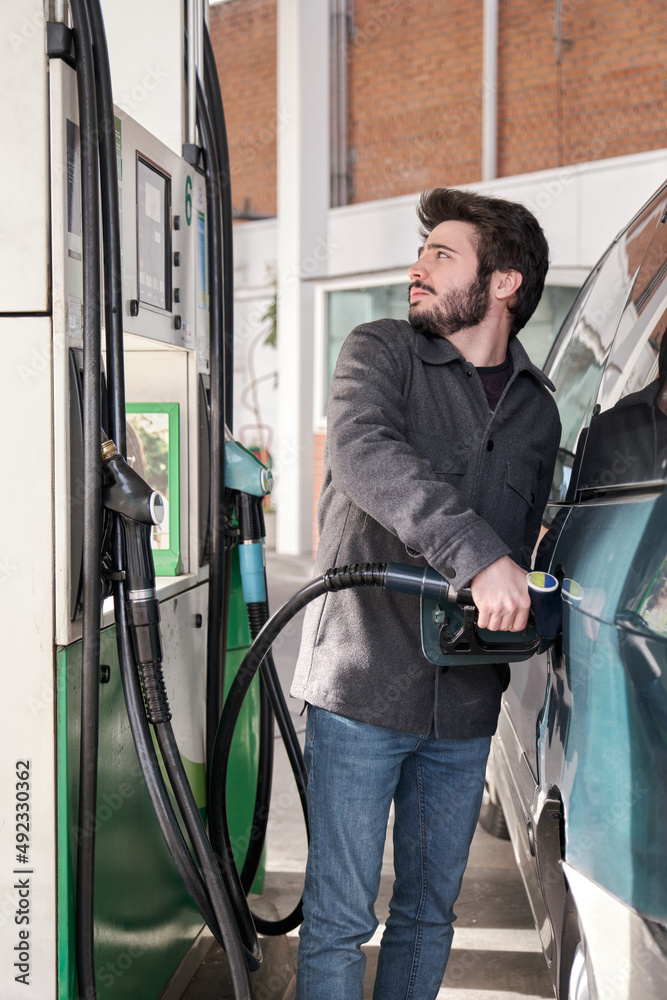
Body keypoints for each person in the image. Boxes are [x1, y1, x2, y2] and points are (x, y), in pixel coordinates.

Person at [291, 188, 561, 1000]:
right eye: (422, 252)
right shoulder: (380, 352)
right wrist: (477, 559)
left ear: (504, 281)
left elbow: (528, 547)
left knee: (426, 915)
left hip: (465, 702)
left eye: (441, 255)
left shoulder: (537, 412)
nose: (417, 268)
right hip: (361, 682)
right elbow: (366, 453)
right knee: (339, 919)